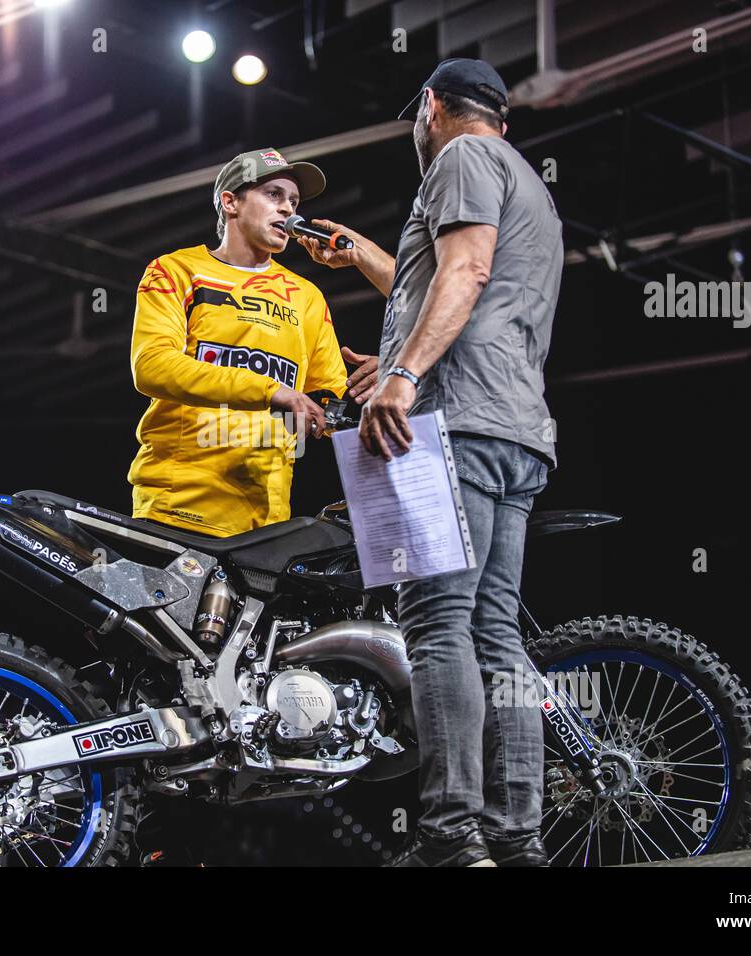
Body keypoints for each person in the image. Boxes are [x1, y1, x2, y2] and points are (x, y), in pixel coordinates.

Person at [297, 59, 563, 867]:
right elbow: (466, 288)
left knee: (438, 625)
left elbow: (467, 270)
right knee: (494, 636)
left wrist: (404, 377)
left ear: (432, 108)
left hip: (442, 430)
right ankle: (515, 839)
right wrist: (373, 263)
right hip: (513, 430)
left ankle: (450, 837)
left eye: (419, 117)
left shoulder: (458, 157)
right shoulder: (528, 183)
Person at [127, 148, 373, 537]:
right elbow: (152, 367)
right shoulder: (175, 270)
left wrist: (371, 400)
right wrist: (270, 390)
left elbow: (327, 397)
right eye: (274, 195)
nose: (289, 211)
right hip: (178, 506)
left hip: (267, 519)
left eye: (294, 201)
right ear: (230, 202)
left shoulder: (306, 295)